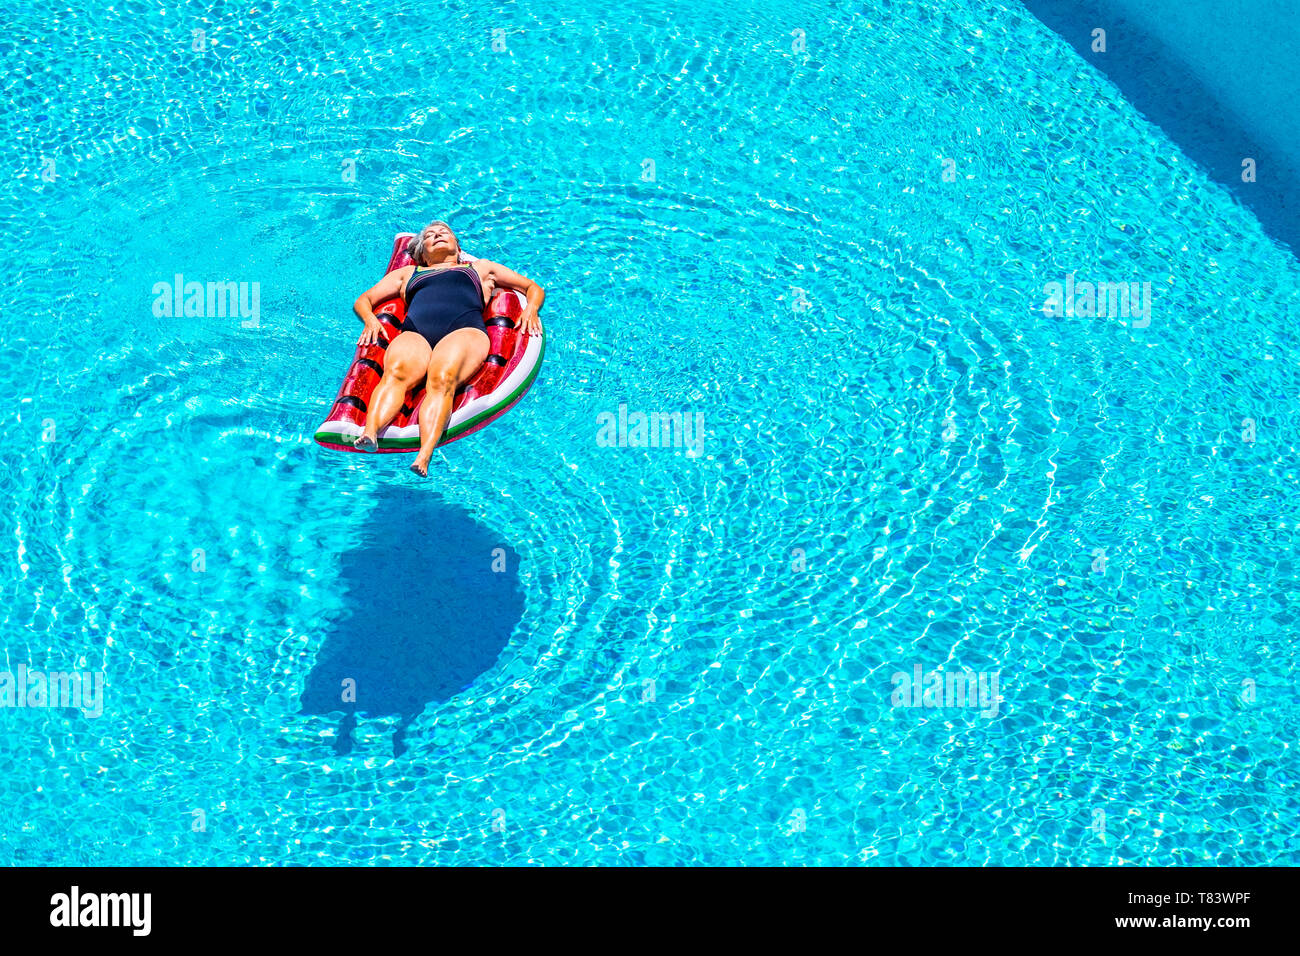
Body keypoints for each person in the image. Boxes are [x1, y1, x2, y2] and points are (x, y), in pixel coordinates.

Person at [351, 221, 545, 476]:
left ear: (457, 245)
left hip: (464, 330)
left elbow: (532, 288)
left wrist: (531, 309)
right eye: (430, 235)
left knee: (442, 378)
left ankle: (424, 456)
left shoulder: (480, 268)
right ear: (422, 252)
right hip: (415, 333)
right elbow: (364, 300)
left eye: (444, 232)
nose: (437, 234)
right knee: (395, 374)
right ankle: (370, 433)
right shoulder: (409, 273)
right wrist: (370, 319)